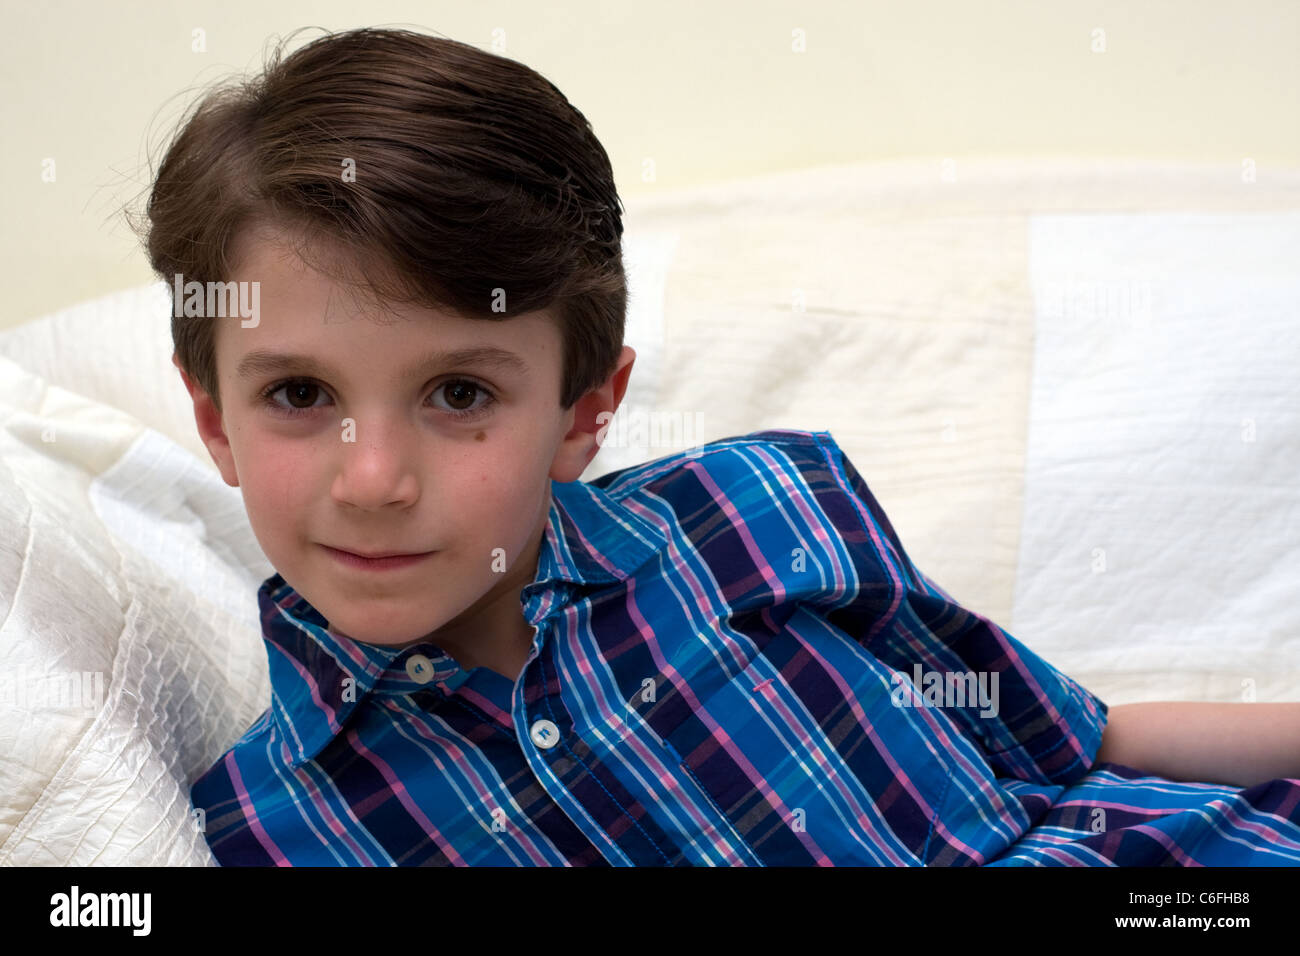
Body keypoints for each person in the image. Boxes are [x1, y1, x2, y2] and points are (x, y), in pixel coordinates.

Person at [134, 26, 1300, 866]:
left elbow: (1076, 736)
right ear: (212, 420)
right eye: (298, 392)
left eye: (455, 391)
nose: (375, 478)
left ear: (586, 410)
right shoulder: (260, 830)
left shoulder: (753, 509)